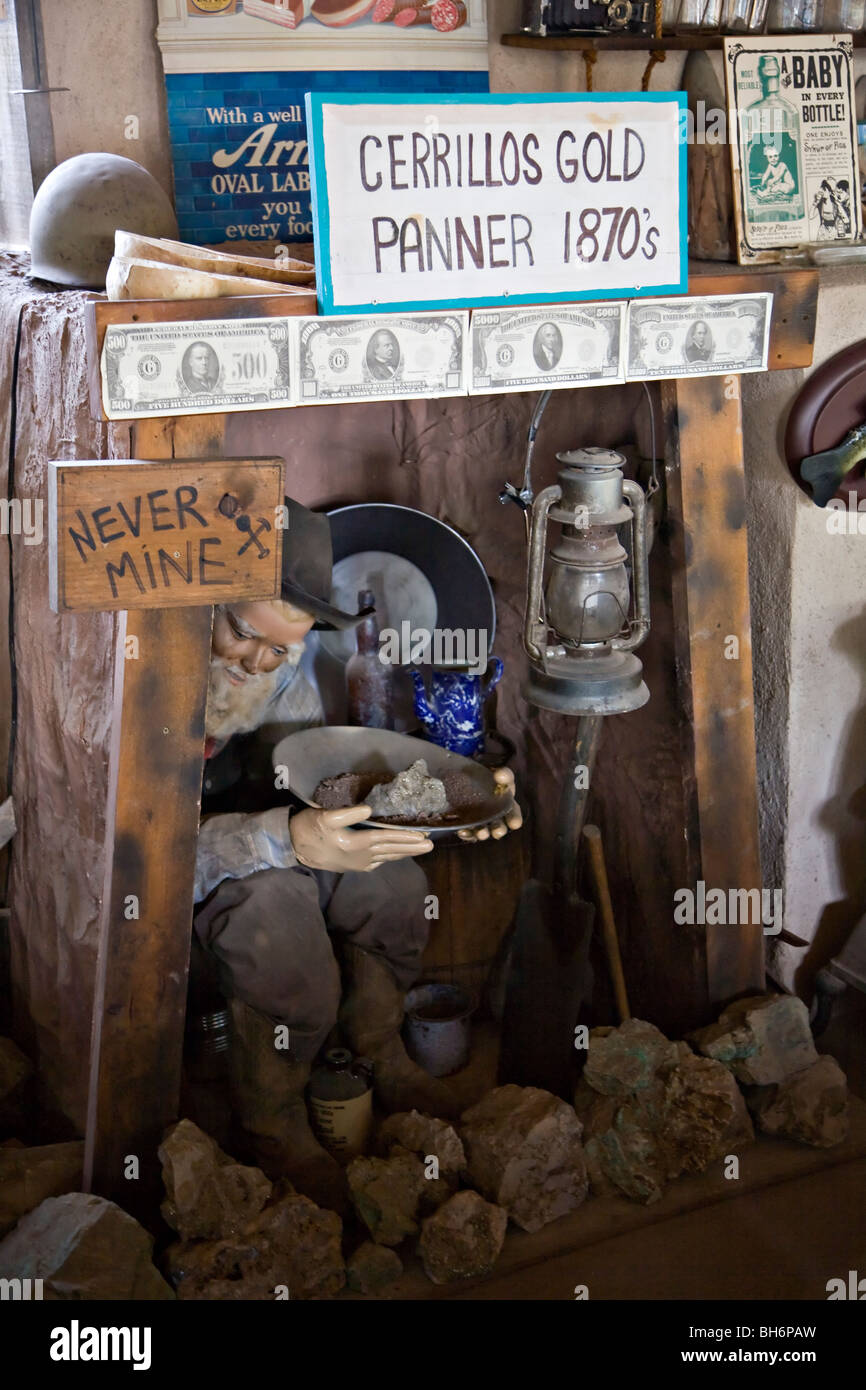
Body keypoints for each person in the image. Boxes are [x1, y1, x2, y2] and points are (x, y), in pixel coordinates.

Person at [193, 497, 521, 1209]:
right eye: (242, 633)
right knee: (281, 933)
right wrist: (283, 841)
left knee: (392, 888)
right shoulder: (146, 681)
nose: (256, 661)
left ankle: (376, 1050)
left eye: (282, 647)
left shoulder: (282, 679)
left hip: (274, 834)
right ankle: (274, 1123)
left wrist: (462, 804)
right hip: (190, 874)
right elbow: (128, 862)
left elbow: (317, 785)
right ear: (206, 602)